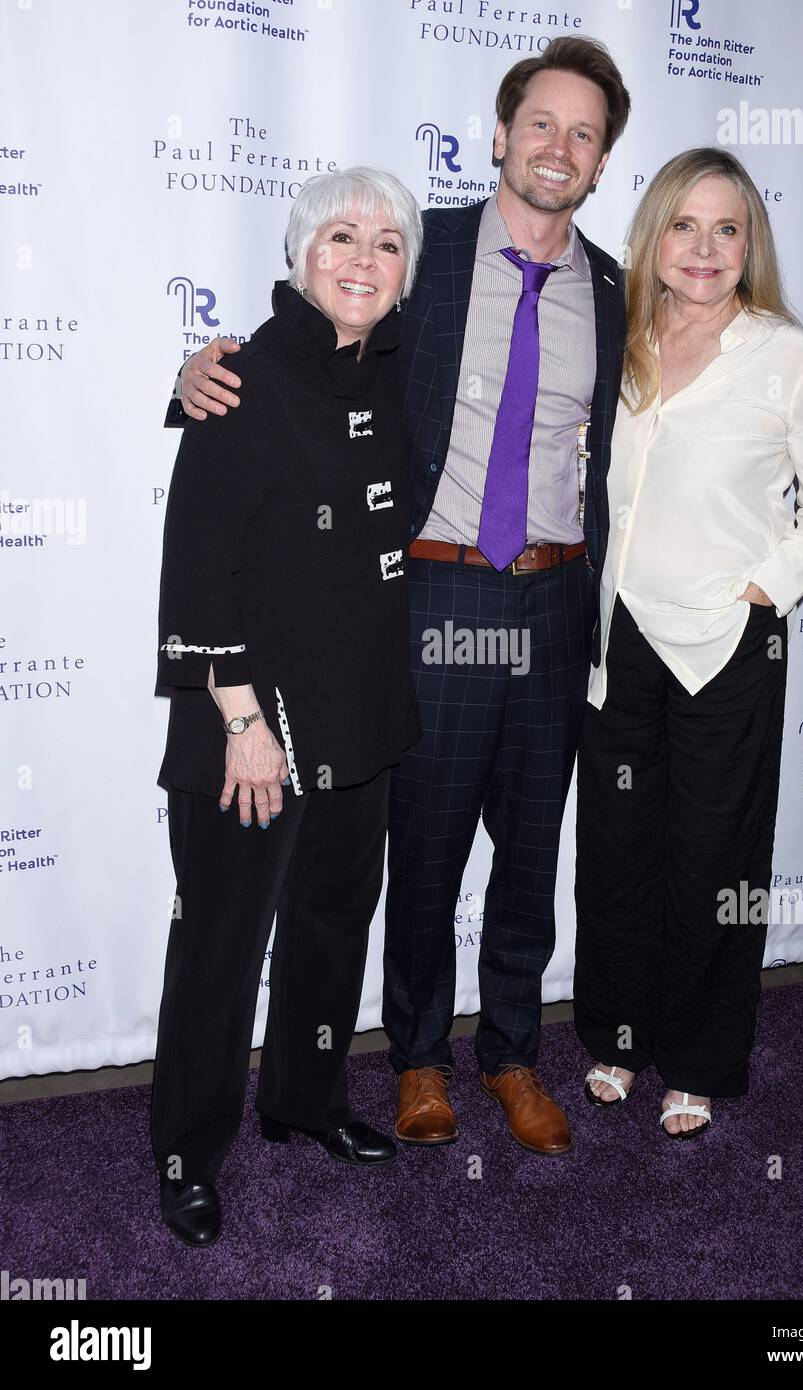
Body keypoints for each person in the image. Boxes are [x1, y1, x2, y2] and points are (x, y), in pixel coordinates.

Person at [172, 36, 630, 1157]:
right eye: (540, 124)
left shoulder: (615, 289)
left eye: (583, 133)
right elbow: (310, 345)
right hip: (435, 596)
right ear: (499, 134)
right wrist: (193, 377)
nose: (557, 147)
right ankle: (418, 1055)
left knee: (530, 845)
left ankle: (513, 1052)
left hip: (556, 595)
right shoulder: (426, 253)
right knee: (417, 848)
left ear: (603, 157)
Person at [152, 167, 423, 1246]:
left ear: (408, 272)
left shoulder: (406, 373)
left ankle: (306, 1100)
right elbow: (197, 565)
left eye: (388, 243)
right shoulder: (238, 380)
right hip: (249, 731)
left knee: (327, 925)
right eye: (341, 238)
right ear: (300, 254)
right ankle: (185, 1149)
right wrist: (240, 718)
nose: (363, 259)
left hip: (364, 711)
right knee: (220, 944)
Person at [575, 147, 803, 1136]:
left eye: (725, 228)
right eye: (683, 226)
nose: (702, 247)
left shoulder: (790, 356)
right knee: (615, 852)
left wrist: (761, 590)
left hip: (724, 644)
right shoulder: (618, 338)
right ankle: (614, 1036)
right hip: (618, 635)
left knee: (714, 861)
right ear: (654, 237)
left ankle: (695, 1060)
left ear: (749, 244)